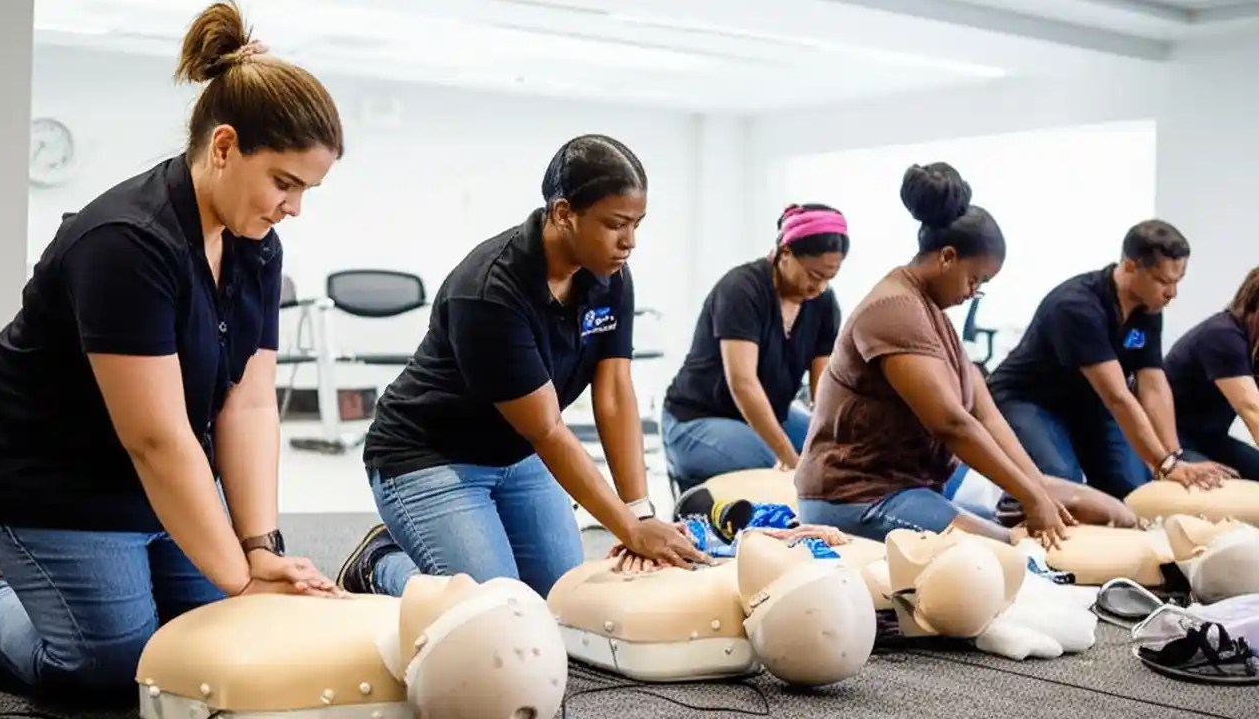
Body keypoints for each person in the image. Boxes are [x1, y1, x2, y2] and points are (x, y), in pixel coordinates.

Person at [0, 0, 343, 696]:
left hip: (157, 474)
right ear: (226, 146)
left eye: (307, 190)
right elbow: (156, 438)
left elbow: (251, 402)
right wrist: (240, 581)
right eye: (285, 183)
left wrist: (258, 549)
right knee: (118, 669)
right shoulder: (126, 241)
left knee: (215, 644)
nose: (294, 206)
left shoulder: (255, 245)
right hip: (49, 481)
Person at [335, 135, 709, 601]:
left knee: (562, 598)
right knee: (498, 610)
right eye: (616, 224)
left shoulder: (609, 274)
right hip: (431, 455)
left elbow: (613, 392)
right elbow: (548, 430)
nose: (629, 242)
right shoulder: (490, 289)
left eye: (637, 224)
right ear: (563, 213)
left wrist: (641, 510)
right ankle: (380, 564)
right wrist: (629, 530)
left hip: (516, 455)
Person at [795, 162, 1134, 549]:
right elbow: (951, 424)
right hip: (858, 496)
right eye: (975, 279)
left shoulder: (932, 312)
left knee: (1105, 509)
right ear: (948, 257)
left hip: (915, 478)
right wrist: (1031, 498)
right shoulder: (894, 310)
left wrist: (1036, 488)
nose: (973, 292)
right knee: (1007, 551)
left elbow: (985, 413)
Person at [987, 220, 1235, 500]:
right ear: (1130, 266)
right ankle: (1016, 522)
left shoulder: (1148, 308)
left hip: (1087, 403)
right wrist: (1164, 464)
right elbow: (1117, 396)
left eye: (1177, 282)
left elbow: (1153, 385)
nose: (1172, 293)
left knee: (1135, 486)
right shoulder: (1077, 306)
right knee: (1060, 481)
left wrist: (1173, 458)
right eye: (1163, 281)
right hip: (1029, 400)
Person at [660, 203, 846, 491]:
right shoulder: (742, 290)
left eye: (828, 278)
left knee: (838, 454)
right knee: (772, 464)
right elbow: (743, 383)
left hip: (771, 413)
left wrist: (831, 444)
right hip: (697, 420)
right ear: (785, 252)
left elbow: (823, 389)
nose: (819, 287)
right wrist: (790, 460)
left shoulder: (823, 304)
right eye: (813, 275)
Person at [1163, 267, 1259, 479]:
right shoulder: (1222, 336)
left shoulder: (1255, 347)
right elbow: (1253, 410)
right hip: (1173, 440)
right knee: (1219, 485)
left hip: (1210, 439)